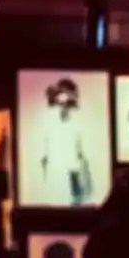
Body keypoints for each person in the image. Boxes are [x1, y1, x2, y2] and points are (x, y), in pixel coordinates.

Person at [40, 78, 94, 206]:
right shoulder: (49, 122)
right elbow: (45, 157)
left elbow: (82, 153)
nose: (63, 101)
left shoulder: (78, 122)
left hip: (74, 176)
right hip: (56, 180)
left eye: (67, 96)